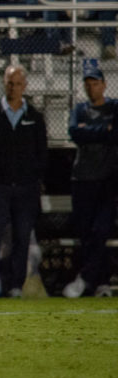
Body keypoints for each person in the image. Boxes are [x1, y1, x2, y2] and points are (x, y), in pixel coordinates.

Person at [0, 64, 47, 298]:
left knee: (22, 236)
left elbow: (42, 152)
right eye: (9, 83)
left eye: (17, 83)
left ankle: (16, 285)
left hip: (26, 188)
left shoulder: (34, 117)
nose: (13, 87)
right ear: (4, 84)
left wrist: (33, 178)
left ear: (24, 86)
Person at [62, 60, 117, 298]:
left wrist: (93, 132)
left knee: (100, 230)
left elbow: (115, 134)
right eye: (87, 84)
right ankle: (100, 282)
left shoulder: (114, 108)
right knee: (86, 233)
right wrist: (102, 131)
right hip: (83, 180)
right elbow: (76, 132)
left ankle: (85, 278)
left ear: (104, 85)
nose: (91, 88)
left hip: (107, 181)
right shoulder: (79, 110)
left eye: (95, 83)